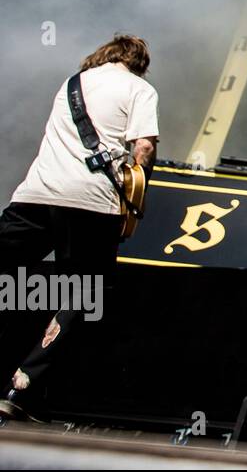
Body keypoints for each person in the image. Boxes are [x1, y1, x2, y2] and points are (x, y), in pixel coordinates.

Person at [0, 34, 159, 424]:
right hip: (90, 202)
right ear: (138, 61)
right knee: (84, 293)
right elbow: (144, 149)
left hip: (36, 194)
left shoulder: (72, 83)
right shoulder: (140, 89)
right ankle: (24, 384)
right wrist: (135, 194)